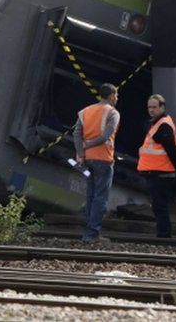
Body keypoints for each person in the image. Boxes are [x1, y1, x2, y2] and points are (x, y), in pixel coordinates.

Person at [73, 83, 120, 243]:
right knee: (100, 197)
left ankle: (87, 233)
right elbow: (106, 136)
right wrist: (88, 145)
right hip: (104, 160)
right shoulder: (113, 113)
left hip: (87, 160)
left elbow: (76, 134)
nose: (117, 98)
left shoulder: (86, 111)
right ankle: (92, 234)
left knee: (90, 196)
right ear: (112, 95)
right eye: (116, 95)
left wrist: (80, 153)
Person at [137, 94, 176, 238]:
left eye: (154, 107)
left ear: (162, 107)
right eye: (149, 107)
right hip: (157, 171)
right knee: (159, 205)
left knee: (160, 205)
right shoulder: (157, 123)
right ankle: (163, 233)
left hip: (161, 172)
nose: (151, 110)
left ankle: (163, 234)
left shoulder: (163, 125)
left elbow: (171, 149)